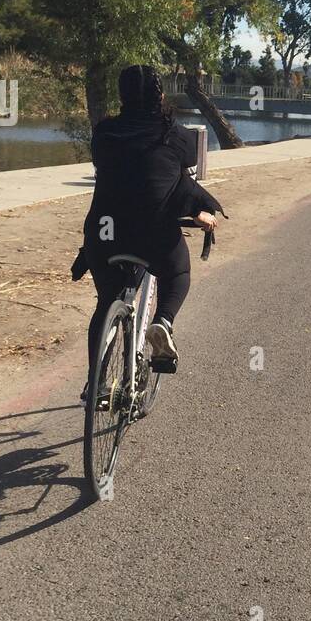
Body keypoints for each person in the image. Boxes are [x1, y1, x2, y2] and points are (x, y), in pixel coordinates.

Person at [71, 64, 225, 386]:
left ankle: (97, 382)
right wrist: (199, 208)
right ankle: (163, 323)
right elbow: (176, 176)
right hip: (153, 234)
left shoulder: (104, 133)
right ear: (160, 94)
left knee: (106, 302)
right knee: (178, 272)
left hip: (104, 233)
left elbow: (122, 168)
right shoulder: (175, 135)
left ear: (121, 95)